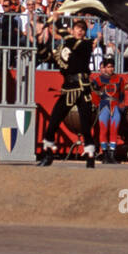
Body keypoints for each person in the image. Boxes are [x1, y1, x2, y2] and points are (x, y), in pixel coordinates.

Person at [36, 19, 97, 168]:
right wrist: (40, 42)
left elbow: (71, 43)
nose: (80, 31)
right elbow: (47, 57)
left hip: (82, 88)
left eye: (82, 29)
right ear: (73, 30)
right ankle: (48, 154)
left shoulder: (86, 44)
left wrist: (56, 21)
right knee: (54, 121)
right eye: (77, 28)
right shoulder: (64, 47)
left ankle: (90, 158)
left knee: (85, 125)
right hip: (68, 88)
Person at [90, 59, 124, 164]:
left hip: (116, 107)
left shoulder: (119, 79)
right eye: (108, 67)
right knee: (103, 131)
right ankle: (104, 155)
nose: (111, 69)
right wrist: (96, 104)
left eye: (112, 67)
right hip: (104, 107)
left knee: (114, 131)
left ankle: (112, 155)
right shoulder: (99, 79)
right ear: (104, 68)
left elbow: (122, 94)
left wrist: (121, 106)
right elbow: (93, 91)